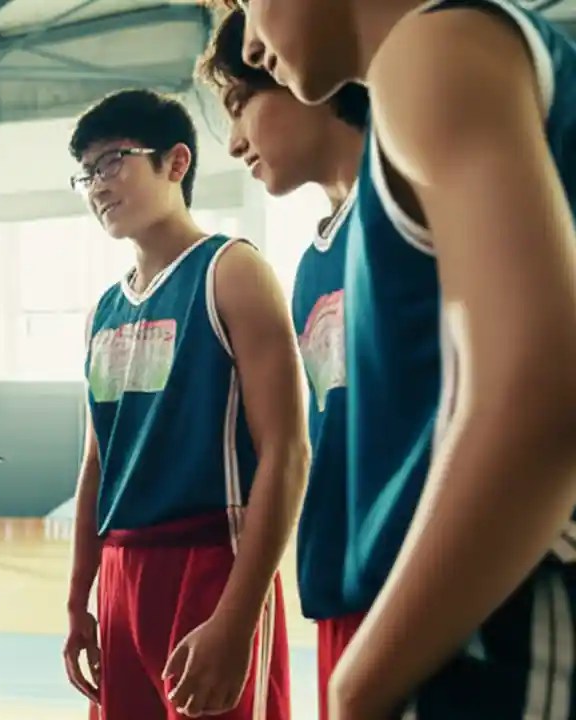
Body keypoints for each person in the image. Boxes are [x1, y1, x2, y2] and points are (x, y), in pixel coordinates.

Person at [232, 0, 576, 717]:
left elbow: (538, 396)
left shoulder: (434, 47)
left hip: (504, 615)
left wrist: (360, 683)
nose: (253, 44)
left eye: (246, 3)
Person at [61, 88, 305, 720]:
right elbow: (95, 465)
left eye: (113, 161)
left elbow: (287, 452)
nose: (97, 184)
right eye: (86, 172)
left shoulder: (232, 271)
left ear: (175, 162)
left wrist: (237, 616)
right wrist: (78, 599)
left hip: (211, 563)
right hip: (119, 574)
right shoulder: (102, 311)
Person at [196, 10, 369, 717]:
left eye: (241, 104)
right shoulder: (311, 267)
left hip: (437, 584)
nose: (235, 142)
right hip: (342, 586)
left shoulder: (419, 207)